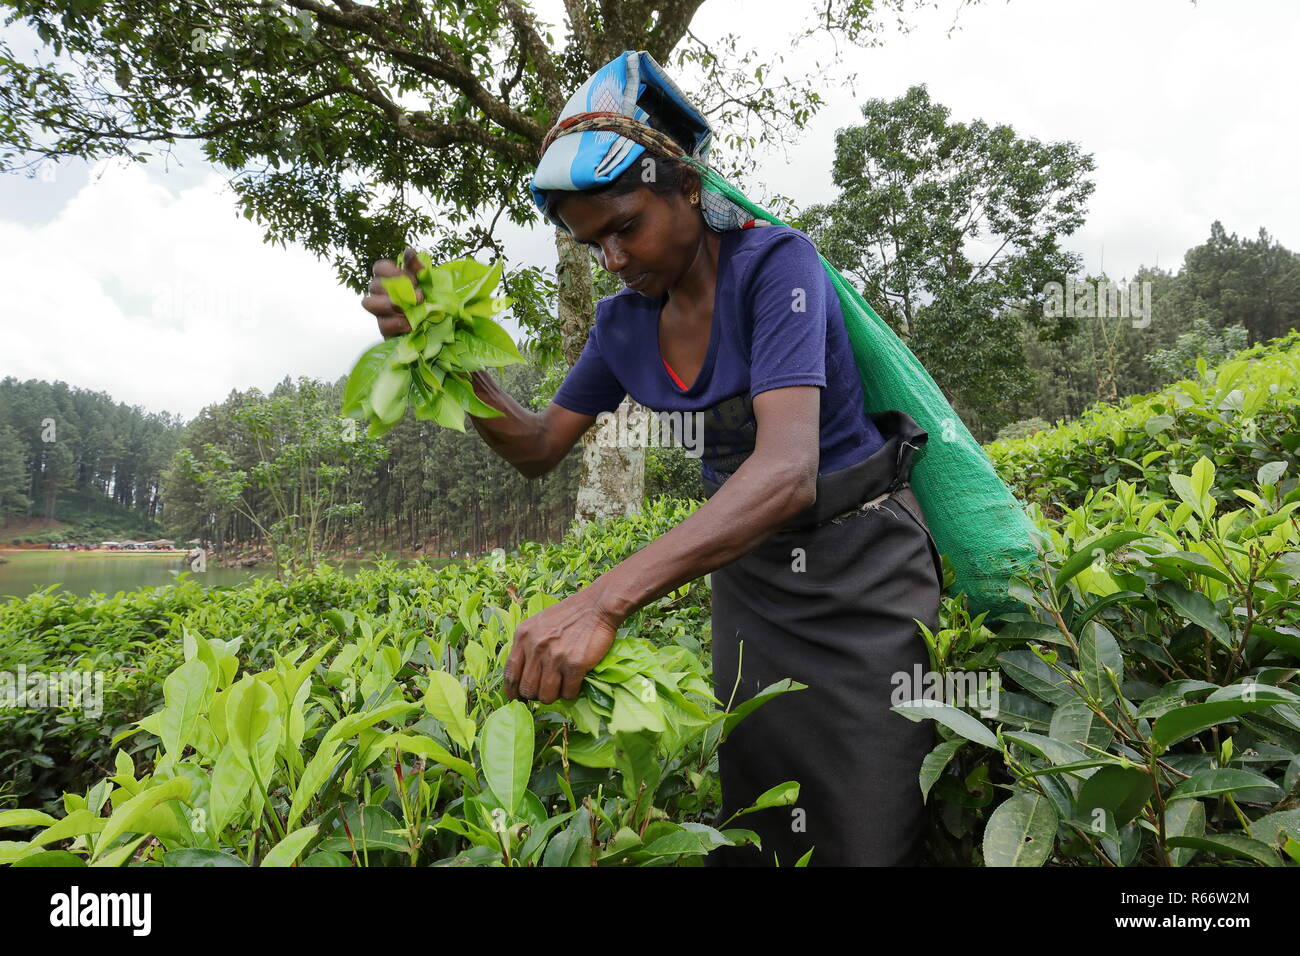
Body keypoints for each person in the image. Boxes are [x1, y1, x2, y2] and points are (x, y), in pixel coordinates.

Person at [361, 50, 944, 866]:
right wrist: (445, 350)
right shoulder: (623, 324)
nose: (614, 260)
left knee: (870, 821)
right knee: (764, 807)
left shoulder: (778, 268)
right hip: (756, 585)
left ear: (689, 189)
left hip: (861, 570)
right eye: (591, 244)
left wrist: (599, 603)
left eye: (625, 226)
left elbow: (784, 472)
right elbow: (536, 447)